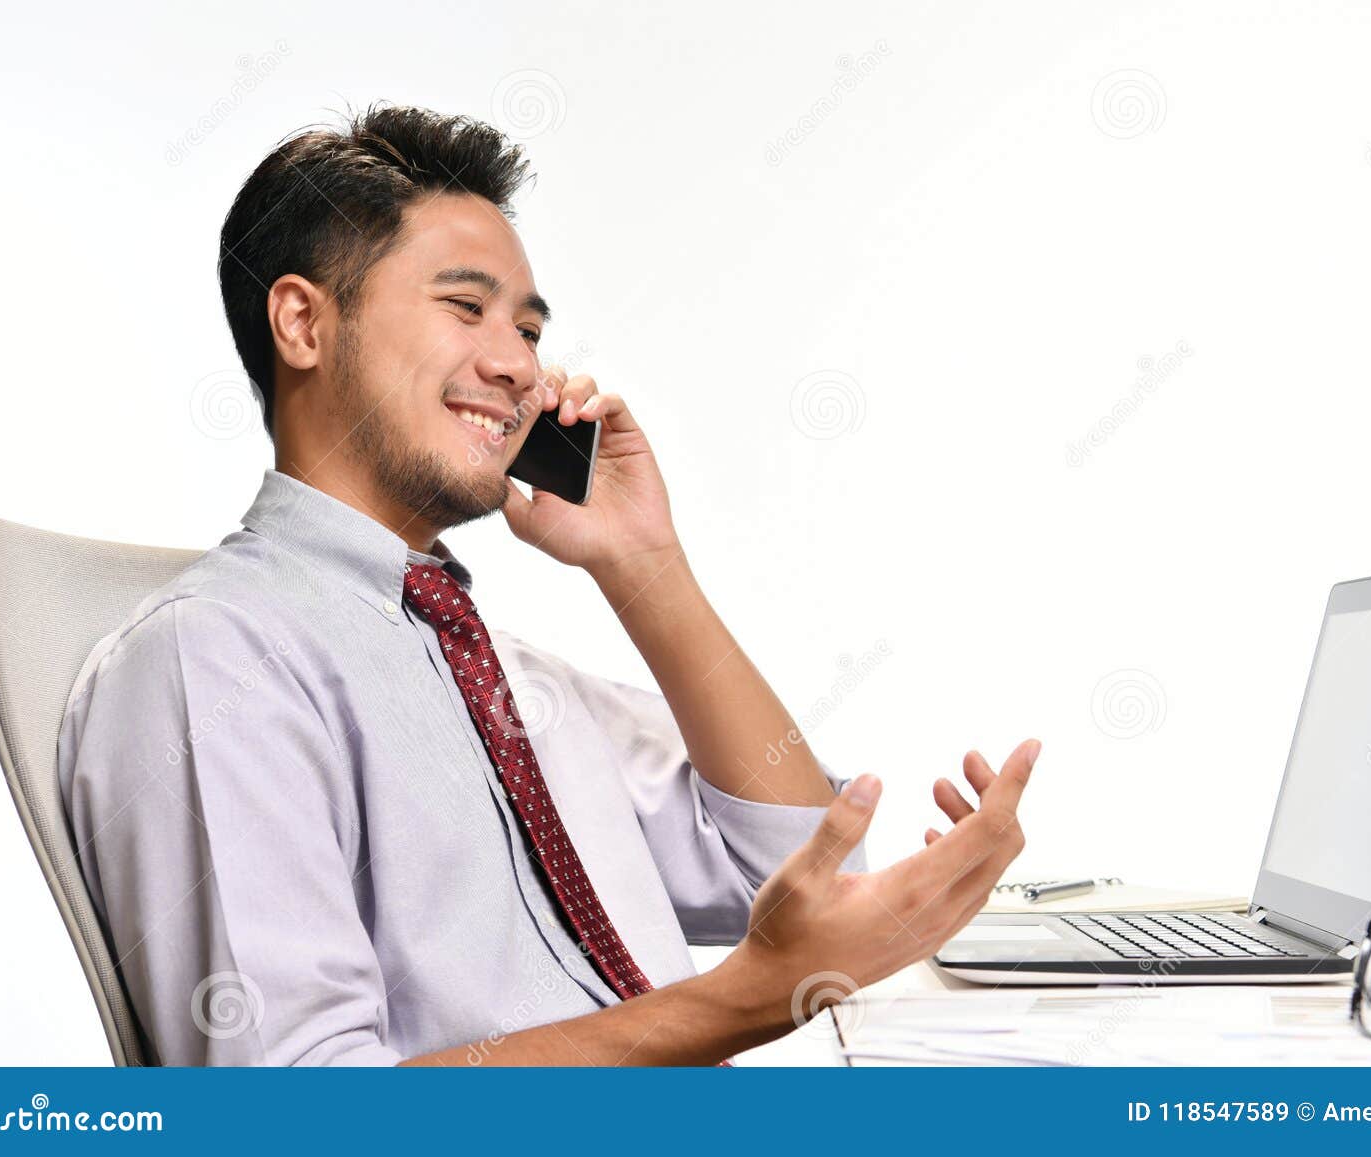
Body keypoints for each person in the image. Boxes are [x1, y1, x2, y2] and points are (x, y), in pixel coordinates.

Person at [57, 105, 1041, 1066]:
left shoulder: (504, 677)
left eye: (528, 328)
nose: (518, 365)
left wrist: (646, 566)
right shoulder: (215, 656)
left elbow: (792, 866)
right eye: (465, 307)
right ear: (304, 323)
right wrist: (743, 997)